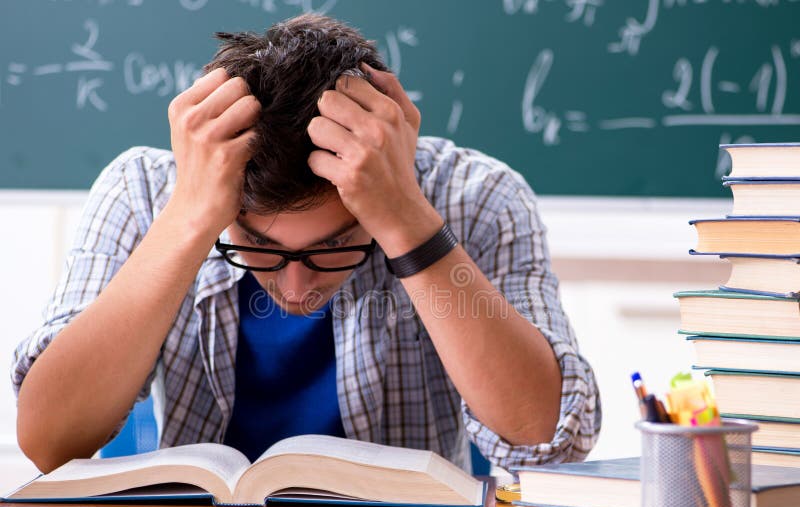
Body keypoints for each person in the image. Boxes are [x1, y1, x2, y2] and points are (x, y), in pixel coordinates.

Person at [11, 14, 600, 474]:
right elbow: (49, 440)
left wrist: (408, 222)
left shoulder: (478, 197)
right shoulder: (145, 191)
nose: (295, 288)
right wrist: (189, 219)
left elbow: (547, 438)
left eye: (334, 247)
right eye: (258, 245)